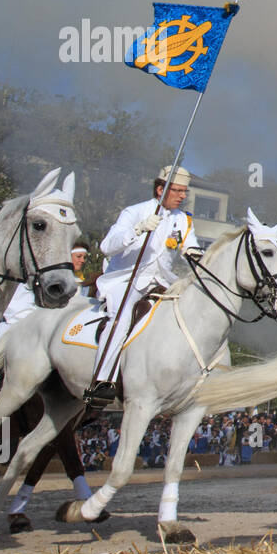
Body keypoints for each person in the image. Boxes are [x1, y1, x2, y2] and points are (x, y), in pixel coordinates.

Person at [88, 165, 198, 404]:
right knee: (122, 317)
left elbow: (191, 246)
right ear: (160, 190)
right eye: (177, 191)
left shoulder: (184, 220)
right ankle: (102, 380)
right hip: (128, 278)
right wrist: (138, 229)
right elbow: (107, 246)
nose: (182, 196)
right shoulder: (134, 212)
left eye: (184, 192)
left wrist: (194, 253)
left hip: (163, 281)